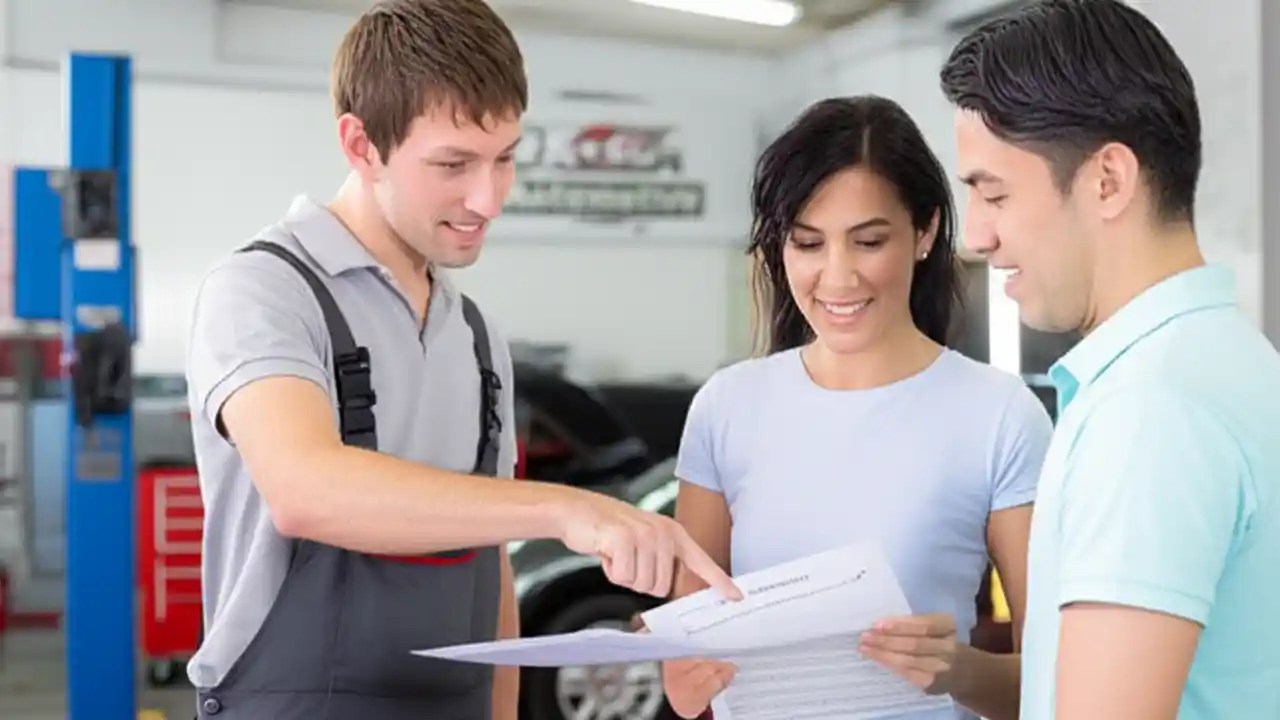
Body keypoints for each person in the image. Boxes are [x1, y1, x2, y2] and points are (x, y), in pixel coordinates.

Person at [183, 2, 739, 718]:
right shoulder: (262, 291)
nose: (489, 199)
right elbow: (305, 489)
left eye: (505, 158)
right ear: (361, 145)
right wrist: (570, 510)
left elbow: (492, 568)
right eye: (454, 164)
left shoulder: (475, 336)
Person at [659, 95, 1054, 720]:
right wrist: (684, 684)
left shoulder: (1001, 415)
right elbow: (687, 671)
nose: (837, 277)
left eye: (868, 241)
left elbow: (1057, 687)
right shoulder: (725, 408)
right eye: (807, 243)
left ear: (925, 232)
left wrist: (961, 671)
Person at [940, 1, 1280, 718]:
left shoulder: (1149, 411)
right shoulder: (1232, 362)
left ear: (1108, 180)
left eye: (994, 193)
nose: (977, 236)